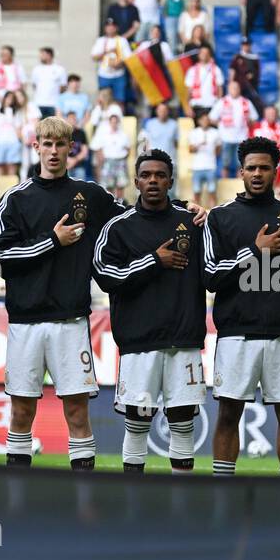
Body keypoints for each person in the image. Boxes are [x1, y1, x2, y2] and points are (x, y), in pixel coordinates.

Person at [0, 116, 124, 468]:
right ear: (36, 147)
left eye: (59, 144)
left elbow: (134, 219)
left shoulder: (91, 195)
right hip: (25, 322)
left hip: (71, 320)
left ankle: (83, 501)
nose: (53, 151)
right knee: (21, 411)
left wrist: (185, 211)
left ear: (70, 149)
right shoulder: (15, 199)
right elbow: (1, 256)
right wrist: (53, 240)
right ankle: (17, 496)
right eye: (46, 144)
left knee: (78, 411)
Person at [93, 149, 206, 474]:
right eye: (147, 175)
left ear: (170, 181)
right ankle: (135, 501)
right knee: (137, 423)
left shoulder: (193, 221)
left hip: (183, 341)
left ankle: (182, 505)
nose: (153, 180)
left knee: (183, 424)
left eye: (160, 175)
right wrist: (153, 261)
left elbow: (211, 272)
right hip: (139, 343)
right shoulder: (118, 227)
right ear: (136, 181)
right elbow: (105, 276)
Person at [204, 136, 280, 476]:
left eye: (265, 167)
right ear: (240, 171)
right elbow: (210, 276)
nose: (257, 173)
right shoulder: (220, 218)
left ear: (276, 172)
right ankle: (222, 494)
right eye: (251, 167)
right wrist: (255, 250)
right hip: (237, 334)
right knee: (228, 414)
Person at [210, 81, 258, 177]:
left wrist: (249, 122)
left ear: (239, 89)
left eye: (236, 88)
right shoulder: (222, 102)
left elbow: (254, 119)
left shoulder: (246, 102)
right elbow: (211, 118)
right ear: (228, 89)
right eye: (233, 88)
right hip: (225, 137)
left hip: (241, 137)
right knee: (224, 164)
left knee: (240, 165)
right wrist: (221, 124)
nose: (235, 90)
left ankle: (238, 186)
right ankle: (224, 183)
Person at [91, 18, 132, 104]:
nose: (110, 28)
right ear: (105, 28)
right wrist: (106, 52)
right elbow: (94, 57)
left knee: (119, 101)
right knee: (103, 100)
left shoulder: (122, 40)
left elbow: (129, 58)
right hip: (104, 75)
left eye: (112, 26)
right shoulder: (100, 40)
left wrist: (119, 64)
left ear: (116, 28)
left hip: (118, 75)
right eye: (108, 26)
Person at [92, 112, 131, 200]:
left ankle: (120, 204)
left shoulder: (123, 135)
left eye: (115, 122)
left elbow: (128, 148)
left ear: (118, 122)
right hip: (108, 161)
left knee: (120, 185)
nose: (114, 124)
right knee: (109, 185)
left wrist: (123, 157)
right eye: (112, 122)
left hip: (120, 161)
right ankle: (111, 203)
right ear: (109, 122)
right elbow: (99, 148)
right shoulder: (105, 135)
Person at [188, 111, 221, 209]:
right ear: (199, 121)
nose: (205, 121)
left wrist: (213, 156)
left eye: (207, 119)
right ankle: (195, 214)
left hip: (211, 166)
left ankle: (213, 213)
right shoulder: (194, 132)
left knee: (212, 191)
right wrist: (199, 145)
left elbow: (219, 148)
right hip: (197, 167)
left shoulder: (215, 132)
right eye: (203, 119)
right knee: (197, 192)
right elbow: (190, 149)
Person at [0, 91, 26, 176]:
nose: (10, 100)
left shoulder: (17, 113)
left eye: (12, 98)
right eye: (8, 97)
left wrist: (21, 142)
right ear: (4, 99)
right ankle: (1, 188)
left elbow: (19, 129)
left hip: (13, 142)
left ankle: (11, 188)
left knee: (12, 166)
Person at [185, 44, 224, 115]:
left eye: (206, 53)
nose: (204, 55)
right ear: (199, 55)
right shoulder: (192, 70)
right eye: (202, 53)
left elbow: (220, 89)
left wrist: (219, 106)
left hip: (212, 105)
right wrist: (187, 106)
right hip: (196, 106)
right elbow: (188, 90)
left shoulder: (216, 69)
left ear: (210, 55)